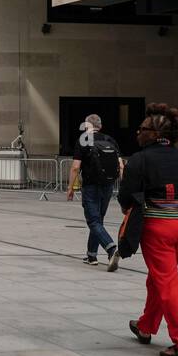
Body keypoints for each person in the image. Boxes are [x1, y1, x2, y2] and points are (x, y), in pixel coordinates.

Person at [119, 103, 178, 356]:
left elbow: (126, 198)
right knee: (159, 277)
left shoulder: (140, 160)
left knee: (167, 282)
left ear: (154, 134)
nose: (138, 132)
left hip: (159, 228)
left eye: (142, 129)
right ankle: (146, 325)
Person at [66, 114, 124, 271]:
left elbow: (75, 167)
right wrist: (122, 184)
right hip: (108, 185)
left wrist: (71, 187)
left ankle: (111, 249)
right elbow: (120, 165)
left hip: (91, 185)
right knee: (98, 220)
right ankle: (91, 255)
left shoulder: (83, 140)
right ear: (100, 126)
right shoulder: (110, 140)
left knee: (93, 221)